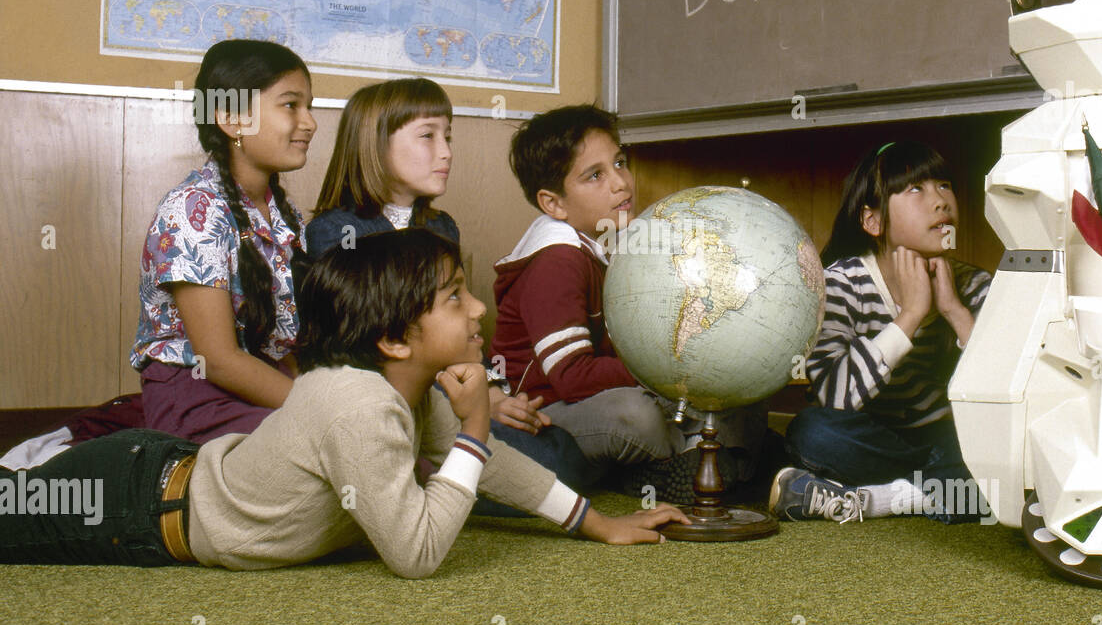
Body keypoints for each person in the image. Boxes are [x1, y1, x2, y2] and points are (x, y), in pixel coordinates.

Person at [0, 229, 688, 574]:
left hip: (174, 470)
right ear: (393, 337)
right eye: (455, 298)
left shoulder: (410, 390)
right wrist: (477, 429)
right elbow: (416, 552)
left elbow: (496, 469)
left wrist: (594, 521)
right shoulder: (356, 403)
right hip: (140, 501)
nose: (478, 308)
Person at [305, 79, 597, 499]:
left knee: (562, 455)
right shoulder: (336, 233)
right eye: (428, 136)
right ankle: (419, 478)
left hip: (448, 394)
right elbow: (368, 352)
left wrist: (490, 391)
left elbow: (457, 330)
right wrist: (468, 401)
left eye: (448, 136)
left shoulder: (441, 228)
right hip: (390, 406)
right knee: (536, 467)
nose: (445, 152)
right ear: (374, 143)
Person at [491, 105, 766, 503]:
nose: (621, 182)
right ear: (554, 204)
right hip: (552, 408)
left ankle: (693, 461)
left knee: (740, 378)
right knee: (635, 415)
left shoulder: (613, 238)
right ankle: (709, 460)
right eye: (595, 175)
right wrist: (668, 371)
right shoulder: (557, 259)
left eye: (620, 162)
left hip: (609, 385)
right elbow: (571, 375)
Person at [769, 141, 992, 524]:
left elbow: (1003, 390)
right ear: (873, 221)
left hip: (945, 435)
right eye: (916, 189)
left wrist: (954, 311)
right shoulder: (841, 285)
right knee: (812, 433)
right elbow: (832, 396)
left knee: (1008, 451)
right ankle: (938, 491)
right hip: (867, 436)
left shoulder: (972, 285)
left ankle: (870, 499)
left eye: (944, 185)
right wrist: (910, 316)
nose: (940, 201)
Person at [130, 39, 316, 443]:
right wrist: (318, 409)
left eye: (309, 106)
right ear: (232, 119)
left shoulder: (284, 214)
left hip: (265, 378)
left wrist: (325, 396)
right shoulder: (192, 212)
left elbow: (291, 345)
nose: (310, 122)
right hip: (197, 393)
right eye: (291, 105)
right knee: (324, 444)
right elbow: (219, 361)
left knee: (368, 435)